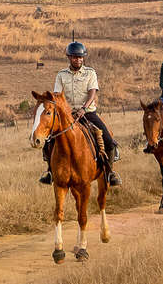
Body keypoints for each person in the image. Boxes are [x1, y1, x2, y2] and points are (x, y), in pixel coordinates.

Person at [40, 41, 121, 187]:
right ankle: (50, 171)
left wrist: (83, 108)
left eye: (80, 57)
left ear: (83, 58)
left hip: (87, 113)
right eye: (75, 57)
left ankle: (110, 172)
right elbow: (57, 95)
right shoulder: (61, 75)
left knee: (108, 140)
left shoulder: (90, 73)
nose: (78, 60)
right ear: (69, 57)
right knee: (48, 141)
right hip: (67, 115)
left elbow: (92, 93)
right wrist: (67, 111)